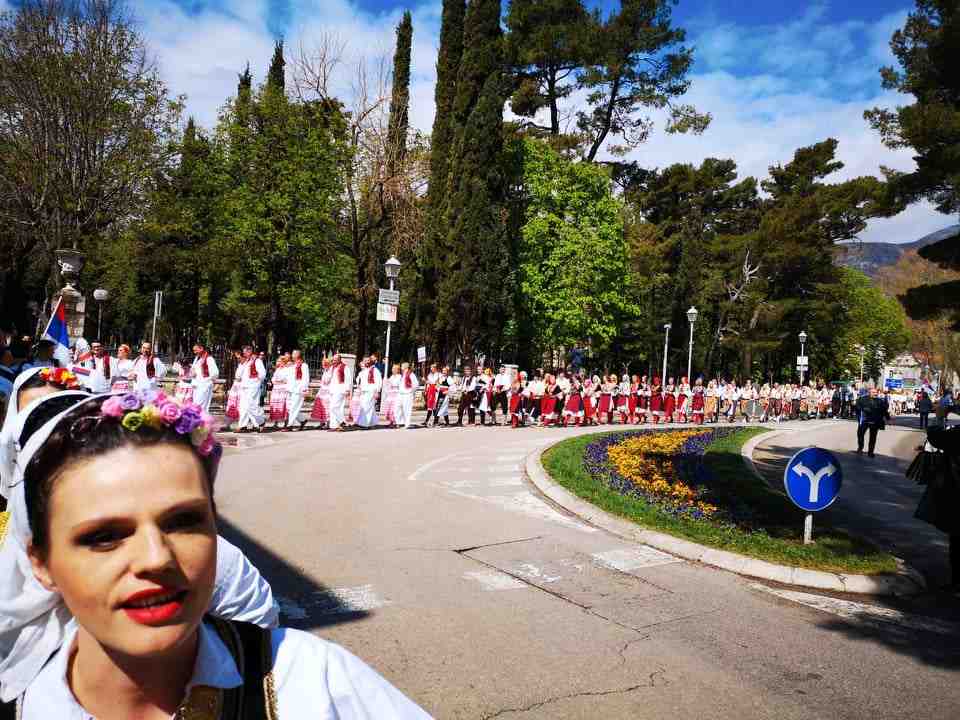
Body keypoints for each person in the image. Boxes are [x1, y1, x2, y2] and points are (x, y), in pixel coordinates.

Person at [2, 391, 430, 718]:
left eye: (183, 521)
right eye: (106, 535)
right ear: (40, 563)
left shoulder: (308, 683)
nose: (156, 558)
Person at [913, 423, 960, 593]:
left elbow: (934, 433)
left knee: (957, 540)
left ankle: (957, 582)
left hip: (956, 494)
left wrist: (940, 418)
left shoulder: (955, 435)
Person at [234, 346, 266, 433]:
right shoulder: (246, 361)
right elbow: (240, 374)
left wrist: (256, 382)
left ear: (250, 351)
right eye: (243, 352)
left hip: (253, 387)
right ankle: (242, 425)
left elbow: (262, 374)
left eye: (245, 352)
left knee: (251, 405)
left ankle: (261, 421)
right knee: (243, 407)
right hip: (244, 386)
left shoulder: (257, 360)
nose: (243, 354)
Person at [855, 387, 890, 457]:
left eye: (876, 392)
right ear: (869, 392)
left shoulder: (880, 401)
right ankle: (860, 448)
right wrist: (860, 413)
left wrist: (887, 417)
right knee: (860, 434)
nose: (875, 394)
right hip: (864, 420)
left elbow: (884, 410)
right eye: (873, 392)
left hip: (875, 421)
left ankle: (870, 452)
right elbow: (857, 407)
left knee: (873, 437)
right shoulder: (862, 399)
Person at [284, 350, 310, 431]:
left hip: (298, 389)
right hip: (290, 389)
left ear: (299, 355)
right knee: (291, 408)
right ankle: (302, 420)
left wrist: (304, 389)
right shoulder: (292, 365)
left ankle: (289, 425)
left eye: (294, 353)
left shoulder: (303, 365)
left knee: (294, 407)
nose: (292, 354)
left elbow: (306, 378)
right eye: (292, 353)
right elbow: (287, 377)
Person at [190, 343, 219, 413]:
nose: (195, 352)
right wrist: (193, 373)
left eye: (196, 350)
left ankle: (202, 421)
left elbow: (215, 373)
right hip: (196, 385)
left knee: (201, 406)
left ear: (201, 348)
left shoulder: (209, 358)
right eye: (194, 351)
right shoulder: (197, 358)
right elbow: (194, 370)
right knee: (196, 405)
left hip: (204, 385)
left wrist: (206, 382)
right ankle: (199, 421)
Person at [355, 357, 382, 429]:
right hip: (364, 391)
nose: (366, 362)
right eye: (365, 361)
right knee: (365, 407)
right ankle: (372, 422)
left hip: (371, 391)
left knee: (367, 407)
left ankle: (365, 424)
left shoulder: (375, 370)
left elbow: (379, 381)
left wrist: (377, 391)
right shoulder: (364, 371)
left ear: (371, 361)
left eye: (368, 361)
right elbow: (360, 381)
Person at [327, 354, 351, 432]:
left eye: (335, 360)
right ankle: (334, 426)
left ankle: (342, 421)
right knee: (332, 408)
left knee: (334, 407)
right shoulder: (332, 367)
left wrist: (347, 389)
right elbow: (328, 378)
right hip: (332, 390)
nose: (333, 361)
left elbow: (348, 379)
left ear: (339, 360)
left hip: (340, 390)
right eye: (333, 360)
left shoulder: (345, 367)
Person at [395, 362, 418, 429]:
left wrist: (411, 391)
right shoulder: (402, 374)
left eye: (402, 366)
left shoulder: (411, 374)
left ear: (406, 367)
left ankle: (407, 424)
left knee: (407, 409)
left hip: (407, 394)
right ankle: (400, 422)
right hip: (400, 394)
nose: (401, 367)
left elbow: (416, 384)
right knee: (397, 408)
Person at [381, 363, 401, 428]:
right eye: (392, 369)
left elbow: (400, 385)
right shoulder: (391, 377)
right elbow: (388, 385)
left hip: (397, 393)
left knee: (395, 409)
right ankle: (391, 421)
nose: (393, 370)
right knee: (389, 408)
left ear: (398, 370)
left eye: (394, 369)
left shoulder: (400, 377)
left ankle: (397, 422)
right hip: (391, 394)